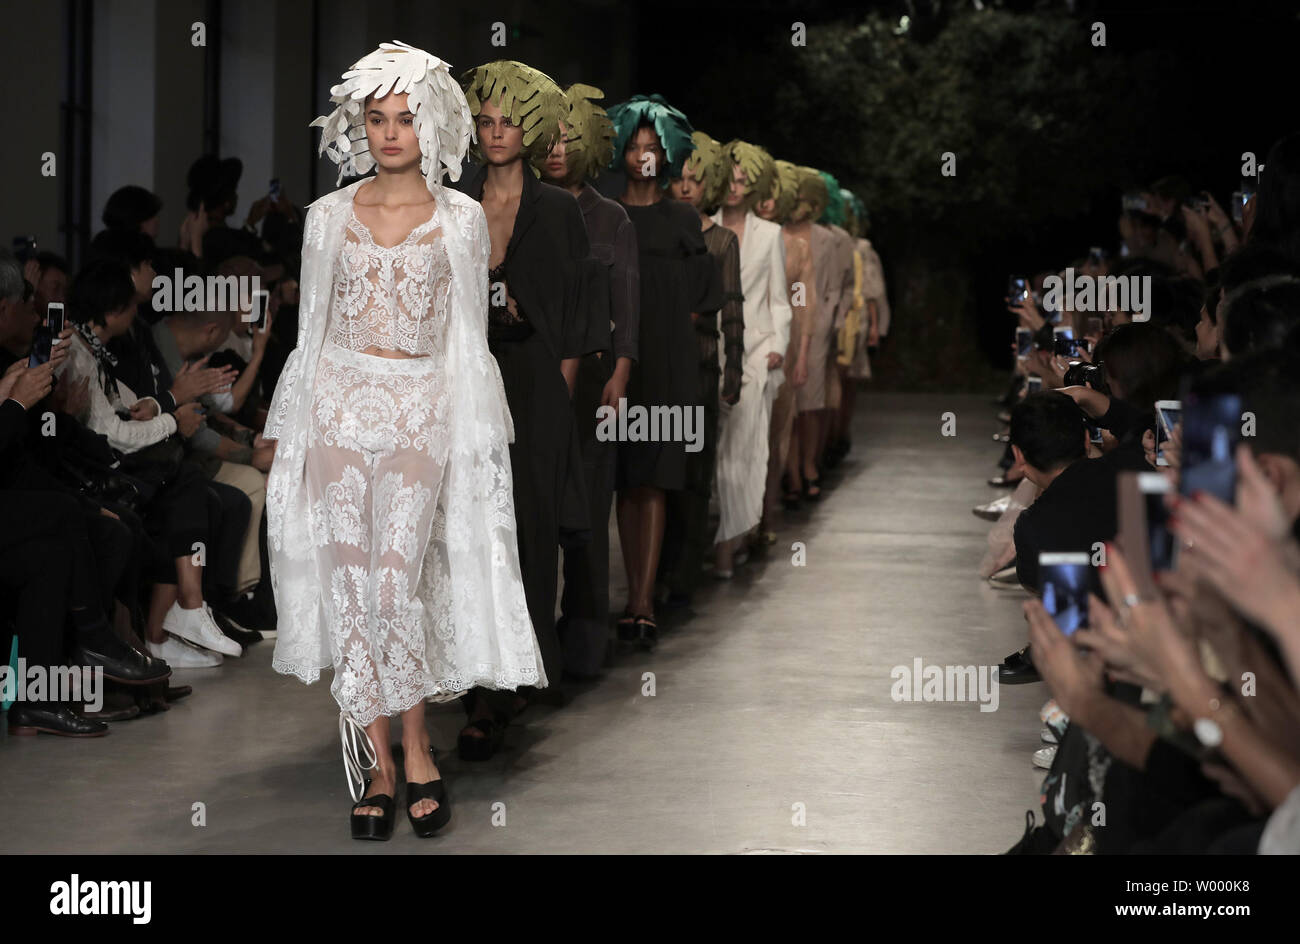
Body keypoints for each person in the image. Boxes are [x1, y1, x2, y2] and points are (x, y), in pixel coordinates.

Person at [264, 41, 544, 841]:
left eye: (406, 118)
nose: (391, 133)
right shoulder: (325, 218)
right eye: (377, 119)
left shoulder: (461, 220)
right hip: (340, 408)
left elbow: (467, 342)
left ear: (433, 125)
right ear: (361, 126)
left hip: (424, 406)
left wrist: (478, 441)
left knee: (397, 585)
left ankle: (419, 747)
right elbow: (310, 333)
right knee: (355, 593)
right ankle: (379, 764)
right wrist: (289, 436)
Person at [455, 59, 594, 757]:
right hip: (467, 380)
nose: (497, 131)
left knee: (531, 529)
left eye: (511, 119)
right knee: (475, 529)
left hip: (537, 384)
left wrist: (561, 404)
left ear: (533, 129)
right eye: (485, 119)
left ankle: (513, 681)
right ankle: (476, 678)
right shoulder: (454, 202)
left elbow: (576, 316)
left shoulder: (560, 209)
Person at [605, 94, 722, 645]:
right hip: (618, 365)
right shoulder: (606, 213)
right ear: (621, 152)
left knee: (655, 481)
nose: (644, 157)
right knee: (626, 480)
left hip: (671, 368)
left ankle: (642, 601)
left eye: (653, 148)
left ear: (668, 153)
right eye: (635, 146)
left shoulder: (682, 219)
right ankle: (630, 592)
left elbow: (706, 296)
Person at [538, 82, 641, 676]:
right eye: (547, 138)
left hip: (596, 377)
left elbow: (627, 303)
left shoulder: (611, 219)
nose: (556, 150)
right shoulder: (525, 209)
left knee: (587, 507)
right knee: (537, 511)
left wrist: (622, 374)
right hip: (535, 372)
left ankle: (583, 642)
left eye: (569, 139)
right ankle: (536, 647)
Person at [664, 131, 741, 594]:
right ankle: (660, 570)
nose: (686, 187)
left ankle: (685, 574)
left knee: (696, 473)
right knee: (663, 473)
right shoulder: (661, 233)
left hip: (701, 367)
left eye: (696, 179)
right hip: (663, 370)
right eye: (679, 179)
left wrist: (734, 371)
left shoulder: (722, 241)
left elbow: (731, 306)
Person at [711, 139, 790, 573]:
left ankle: (730, 540)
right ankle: (733, 530)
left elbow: (780, 300)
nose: (736, 187)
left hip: (757, 353)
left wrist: (779, 345)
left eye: (744, 180)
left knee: (743, 446)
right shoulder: (706, 227)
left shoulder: (771, 234)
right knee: (718, 449)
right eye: (730, 178)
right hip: (715, 349)